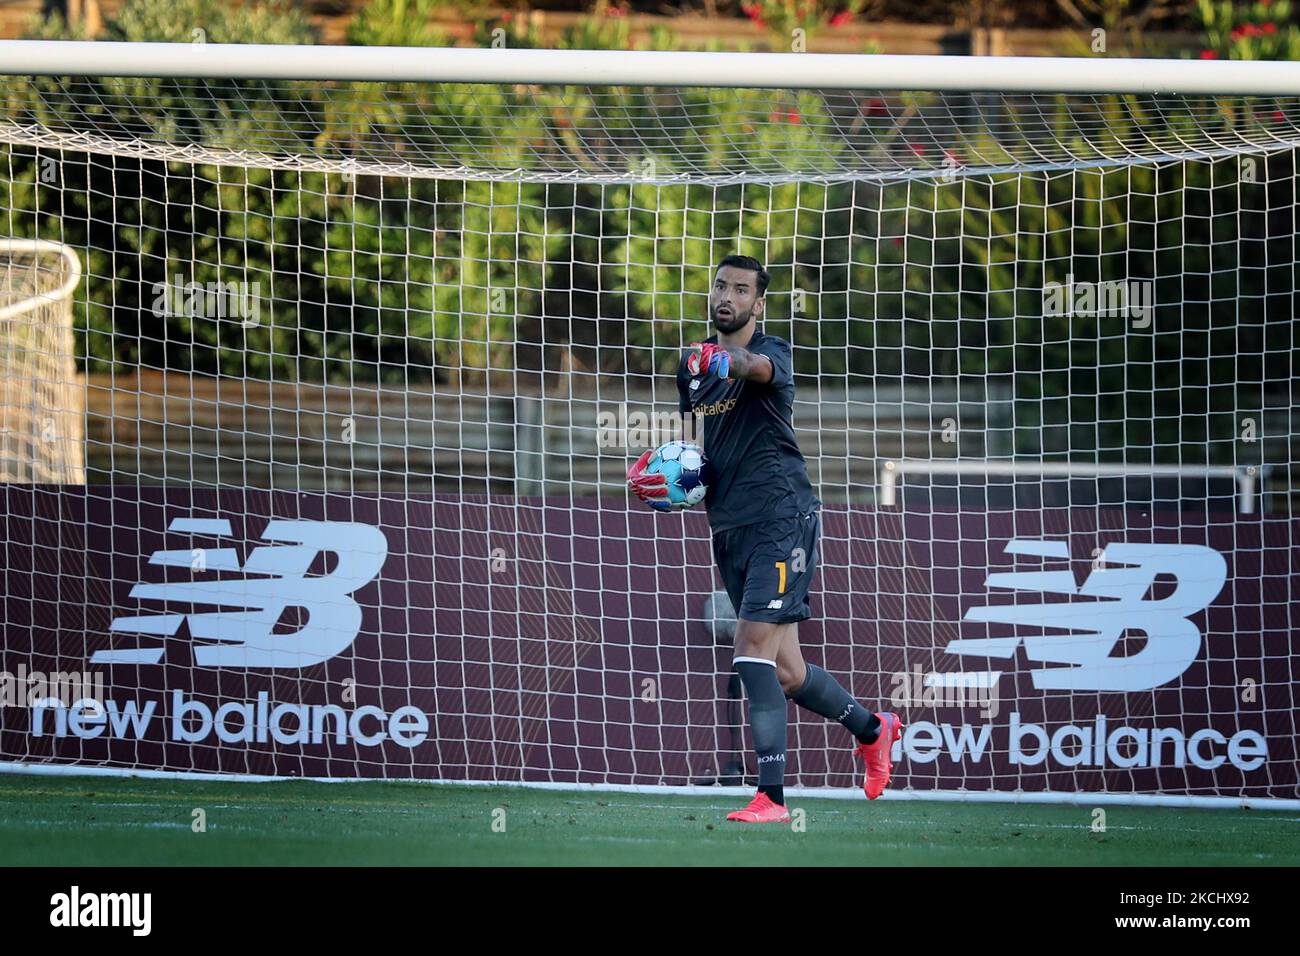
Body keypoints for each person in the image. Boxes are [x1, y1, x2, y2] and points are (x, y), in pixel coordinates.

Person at [627, 254, 903, 823]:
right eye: (720, 286)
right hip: (728, 526)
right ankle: (875, 730)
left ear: (759, 302)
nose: (727, 296)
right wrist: (676, 479)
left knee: (751, 652)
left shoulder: (772, 353)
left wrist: (725, 358)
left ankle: (771, 798)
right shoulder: (692, 364)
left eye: (740, 289)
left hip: (783, 517)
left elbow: (751, 366)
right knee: (787, 673)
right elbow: (700, 444)